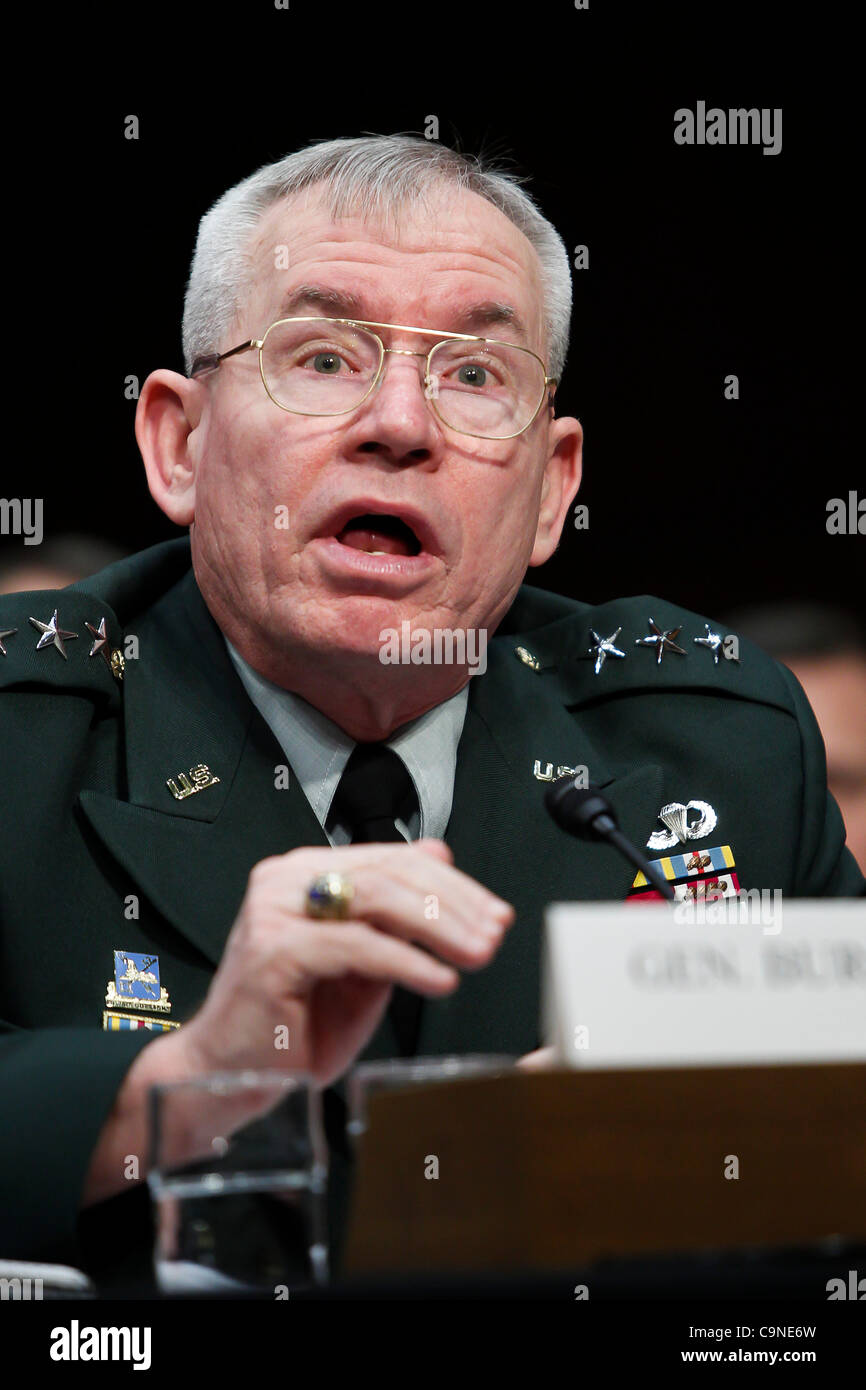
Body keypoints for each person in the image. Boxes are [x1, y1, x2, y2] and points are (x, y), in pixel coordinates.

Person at [0, 134, 862, 1288]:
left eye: (471, 374)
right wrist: (197, 1078)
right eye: (322, 356)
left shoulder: (713, 739)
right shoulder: (22, 731)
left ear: (551, 487)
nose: (399, 423)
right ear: (181, 441)